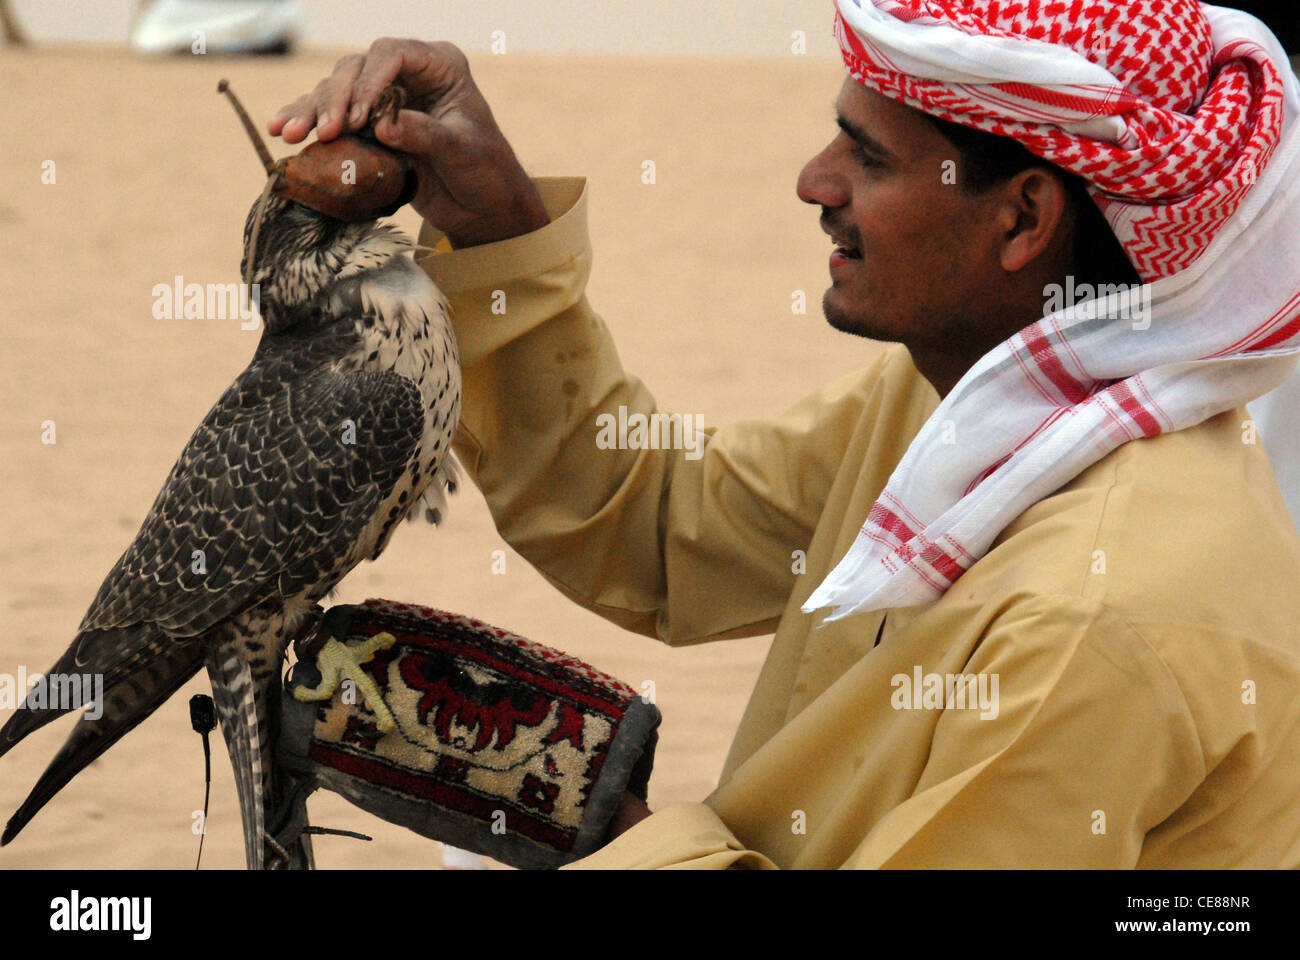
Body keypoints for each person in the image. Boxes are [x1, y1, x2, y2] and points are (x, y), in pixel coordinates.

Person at [270, 0, 1300, 868]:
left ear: (1023, 219)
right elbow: (664, 523)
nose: (814, 183)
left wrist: (609, 831)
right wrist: (497, 223)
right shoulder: (965, 409)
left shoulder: (1094, 623)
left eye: (868, 157)